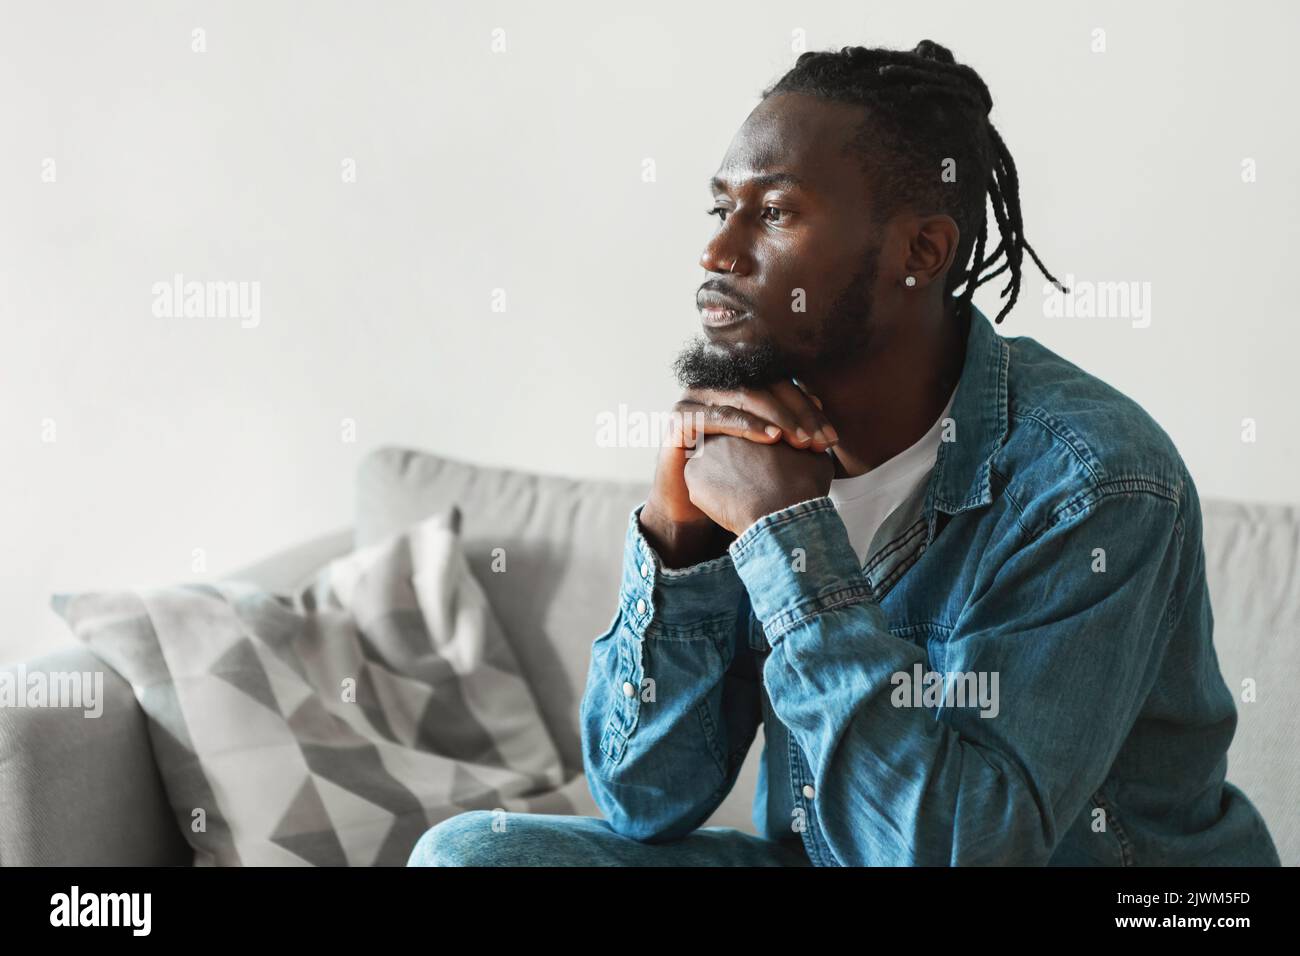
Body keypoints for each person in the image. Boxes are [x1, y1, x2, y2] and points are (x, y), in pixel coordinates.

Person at [408, 39, 1280, 867]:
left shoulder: (1095, 482)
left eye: (776, 212)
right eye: (722, 208)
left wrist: (788, 540)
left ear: (921, 252)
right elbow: (644, 800)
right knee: (469, 856)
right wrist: (677, 538)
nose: (716, 251)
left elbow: (962, 849)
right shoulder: (745, 451)